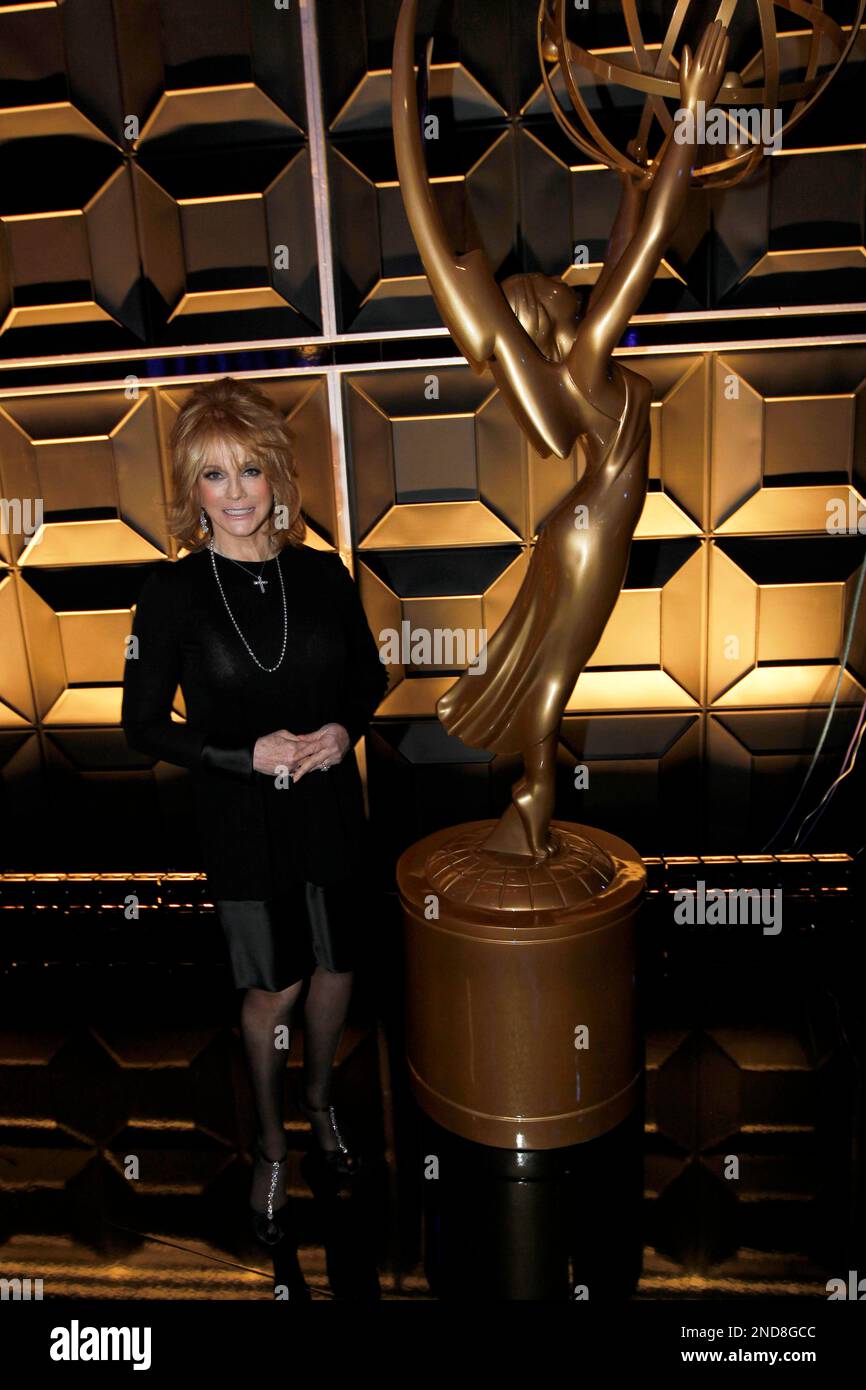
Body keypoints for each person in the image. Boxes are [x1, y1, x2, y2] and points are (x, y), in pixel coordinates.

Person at [393, 7, 730, 861]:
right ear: (544, 314)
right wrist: (688, 117)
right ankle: (536, 789)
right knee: (557, 670)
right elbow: (650, 247)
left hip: (582, 528)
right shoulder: (581, 365)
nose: (562, 284)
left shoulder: (576, 367)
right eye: (547, 286)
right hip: (588, 532)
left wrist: (630, 183)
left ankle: (533, 791)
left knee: (557, 665)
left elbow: (626, 256)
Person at [121, 376, 389, 1244]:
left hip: (331, 811)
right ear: (192, 490)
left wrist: (346, 728)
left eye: (249, 471)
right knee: (272, 987)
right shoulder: (171, 595)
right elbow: (140, 727)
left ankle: (319, 1101)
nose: (235, 494)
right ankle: (273, 1145)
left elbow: (368, 677)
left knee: (337, 964)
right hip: (242, 821)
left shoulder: (322, 575)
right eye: (213, 476)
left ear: (277, 476)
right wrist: (245, 755)